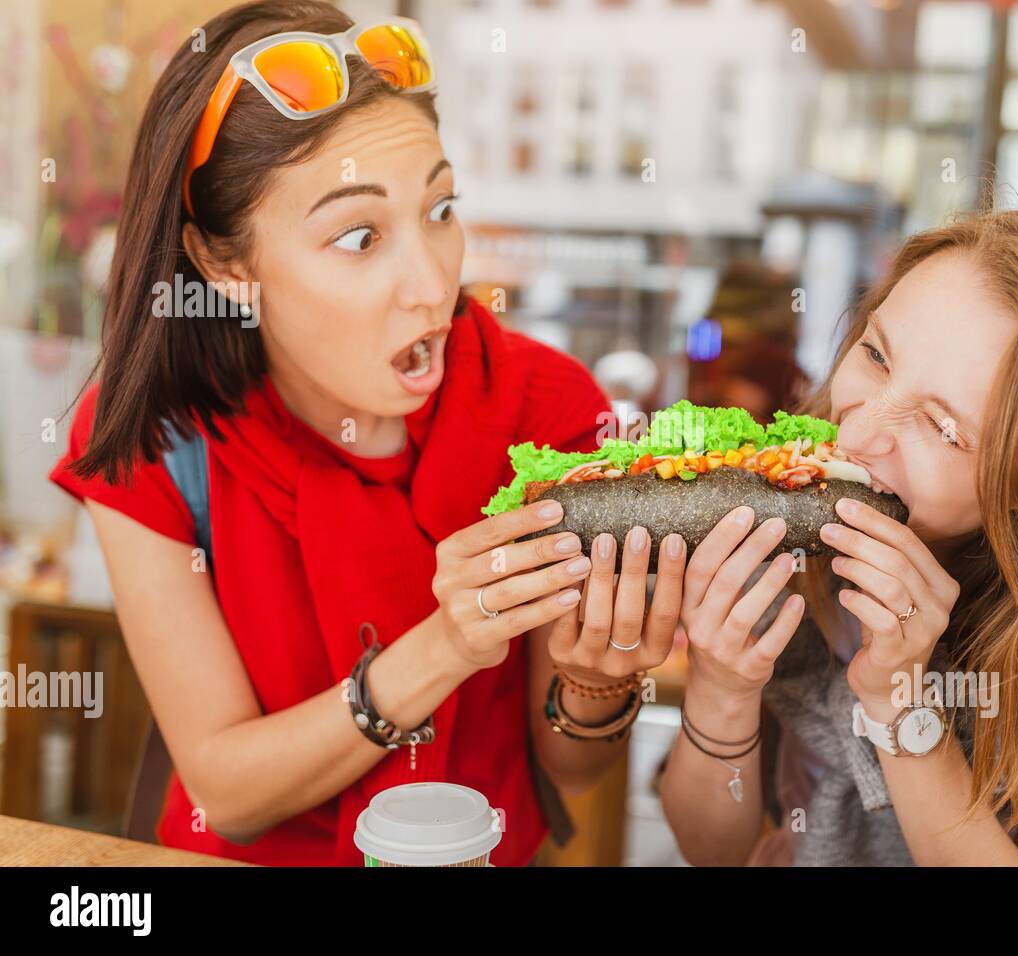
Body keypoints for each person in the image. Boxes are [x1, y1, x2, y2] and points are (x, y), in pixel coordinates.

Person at [50, 0, 687, 866]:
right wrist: (448, 645)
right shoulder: (162, 441)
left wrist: (598, 678)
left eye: (439, 208)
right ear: (224, 266)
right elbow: (228, 796)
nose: (431, 284)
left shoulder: (549, 411)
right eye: (359, 236)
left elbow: (569, 771)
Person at [658, 206, 1018, 866]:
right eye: (875, 355)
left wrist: (900, 701)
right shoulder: (783, 508)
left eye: (943, 427)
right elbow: (712, 851)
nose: (859, 433)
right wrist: (721, 686)